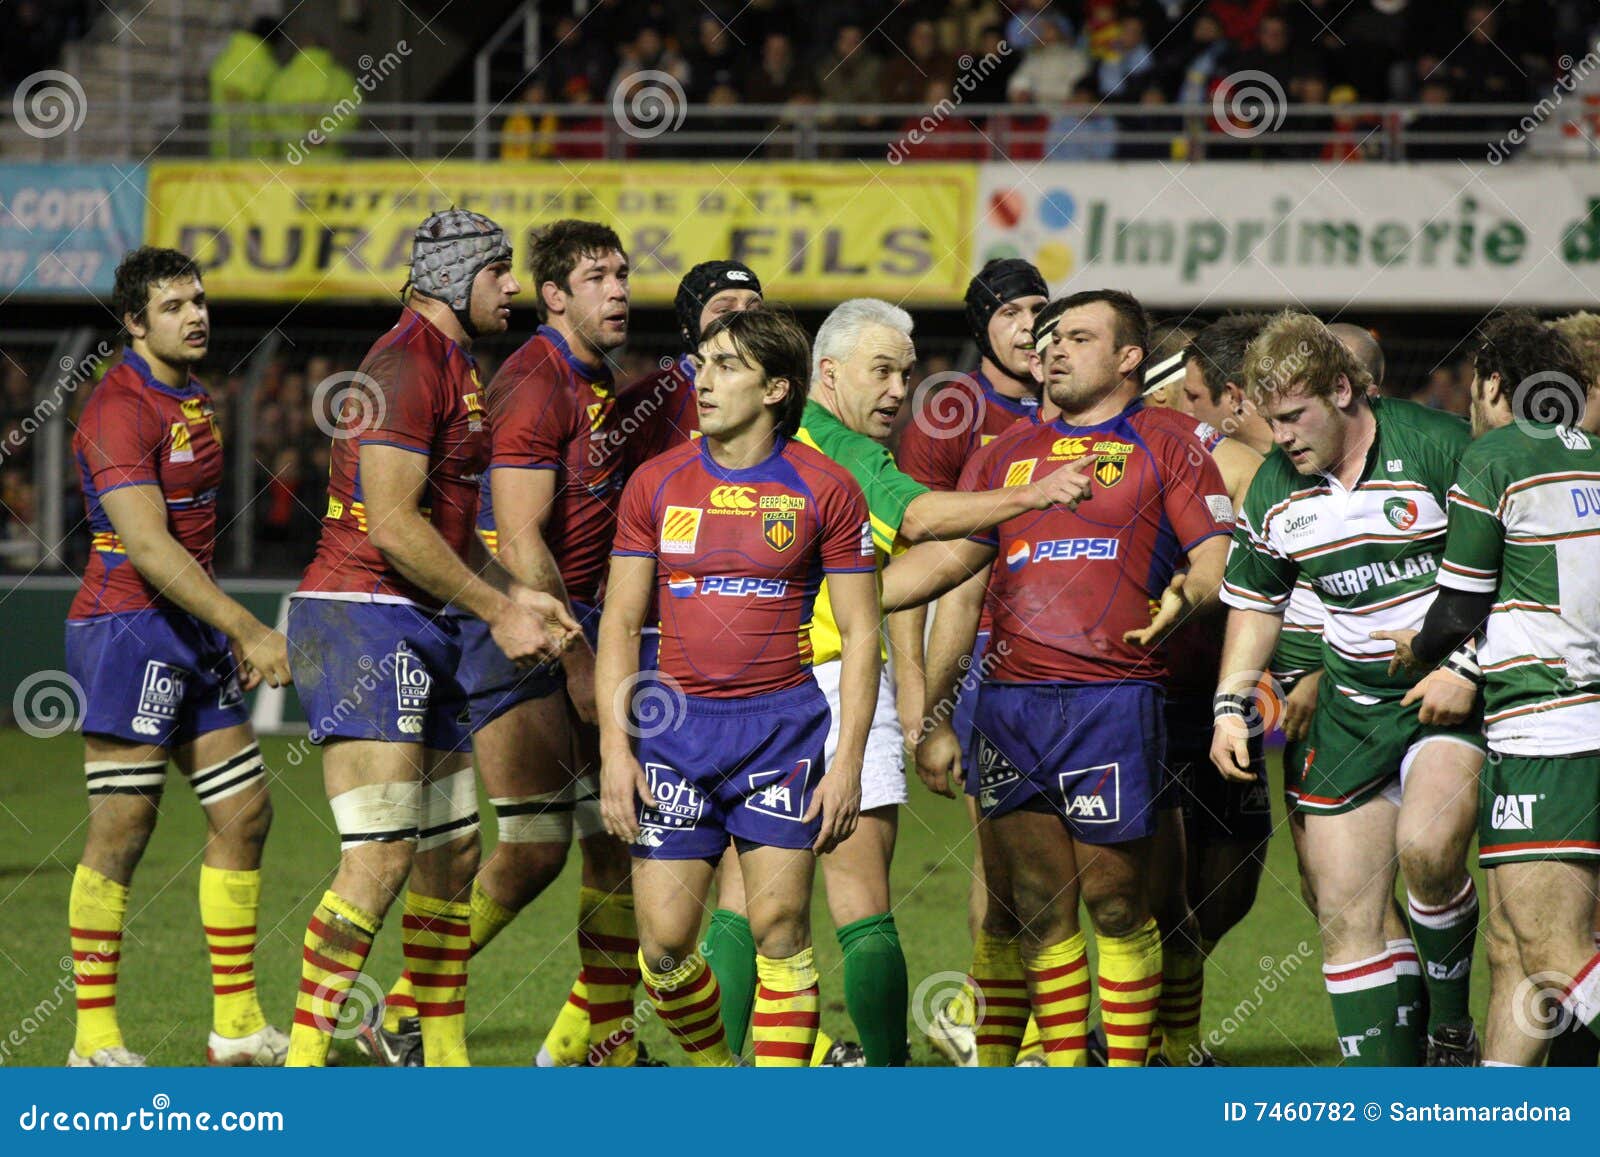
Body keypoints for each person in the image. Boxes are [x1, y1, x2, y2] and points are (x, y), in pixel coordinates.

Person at [712, 297, 1098, 1066]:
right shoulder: (846, 454)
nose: (899, 390)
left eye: (907, 373)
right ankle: (891, 1077)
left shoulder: (754, 443)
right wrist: (1032, 496)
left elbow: (888, 574)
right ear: (827, 373)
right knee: (861, 903)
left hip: (738, 686)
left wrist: (984, 529)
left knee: (743, 902)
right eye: (882, 370)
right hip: (827, 683)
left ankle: (723, 1069)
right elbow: (919, 521)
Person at [895, 290, 1234, 1067]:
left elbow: (1216, 559)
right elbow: (954, 577)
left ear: (1128, 358)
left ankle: (1129, 1072)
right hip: (1010, 706)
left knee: (1118, 901)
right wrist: (933, 707)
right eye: (1049, 337)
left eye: (1078, 337)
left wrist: (1184, 595)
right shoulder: (1004, 452)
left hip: (1114, 701)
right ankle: (1064, 1076)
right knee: (1038, 910)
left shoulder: (1168, 440)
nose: (1052, 349)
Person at [284, 210, 576, 1068]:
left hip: (418, 621)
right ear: (454, 278)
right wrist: (497, 610)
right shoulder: (408, 363)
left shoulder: (453, 364)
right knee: (379, 856)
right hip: (361, 618)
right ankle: (302, 1067)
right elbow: (393, 524)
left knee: (451, 855)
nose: (512, 286)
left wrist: (522, 593)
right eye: (498, 270)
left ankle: (443, 1063)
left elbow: (447, 529)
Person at [359, 220, 643, 1068]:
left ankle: (601, 1046)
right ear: (555, 294)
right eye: (598, 276)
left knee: (618, 847)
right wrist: (583, 658)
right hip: (517, 632)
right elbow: (518, 534)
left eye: (624, 273)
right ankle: (400, 1010)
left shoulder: (602, 381)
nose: (619, 289)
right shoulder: (534, 379)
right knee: (534, 849)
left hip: (577, 622)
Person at [596, 308, 879, 1067]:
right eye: (703, 360)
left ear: (776, 387)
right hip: (675, 732)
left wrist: (847, 759)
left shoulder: (827, 487)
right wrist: (614, 752)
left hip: (780, 729)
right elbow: (620, 624)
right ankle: (721, 1070)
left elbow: (860, 632)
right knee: (661, 945)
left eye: (726, 365)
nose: (704, 378)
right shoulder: (656, 482)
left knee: (780, 925)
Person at [1211, 310, 1484, 1066]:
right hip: (1353, 709)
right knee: (1344, 910)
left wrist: (1466, 667)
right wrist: (1231, 702)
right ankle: (1387, 1106)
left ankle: (1453, 1028)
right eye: (1272, 420)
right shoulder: (1276, 488)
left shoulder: (1435, 447)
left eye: (1296, 415)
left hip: (1447, 697)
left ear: (1343, 390)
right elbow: (1255, 604)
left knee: (1428, 849)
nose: (1284, 436)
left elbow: (1512, 569)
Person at [64, 246, 292, 1068]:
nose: (196, 315)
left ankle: (234, 1026)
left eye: (199, 300)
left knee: (246, 811)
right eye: (173, 305)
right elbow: (151, 549)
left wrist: (216, 628)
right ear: (133, 321)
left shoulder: (193, 393)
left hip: (187, 634)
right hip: (128, 627)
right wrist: (249, 628)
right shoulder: (118, 407)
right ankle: (92, 1039)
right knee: (123, 829)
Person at [1378, 312, 1600, 1067]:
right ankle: (1495, 1114)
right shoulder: (1595, 457)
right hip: (1565, 722)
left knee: (1553, 944)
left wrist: (1420, 645)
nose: (1470, 404)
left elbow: (1460, 605)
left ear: (1497, 384)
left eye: (1475, 388)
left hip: (1549, 728)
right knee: (1513, 944)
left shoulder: (1497, 456)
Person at [896, 258, 1049, 1066]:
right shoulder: (951, 410)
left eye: (1040, 309)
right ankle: (997, 1025)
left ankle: (983, 1012)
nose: (1030, 326)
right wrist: (925, 705)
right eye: (1013, 311)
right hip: (984, 652)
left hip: (1069, 657)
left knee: (1058, 858)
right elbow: (914, 551)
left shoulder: (1071, 405)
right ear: (983, 323)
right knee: (1007, 853)